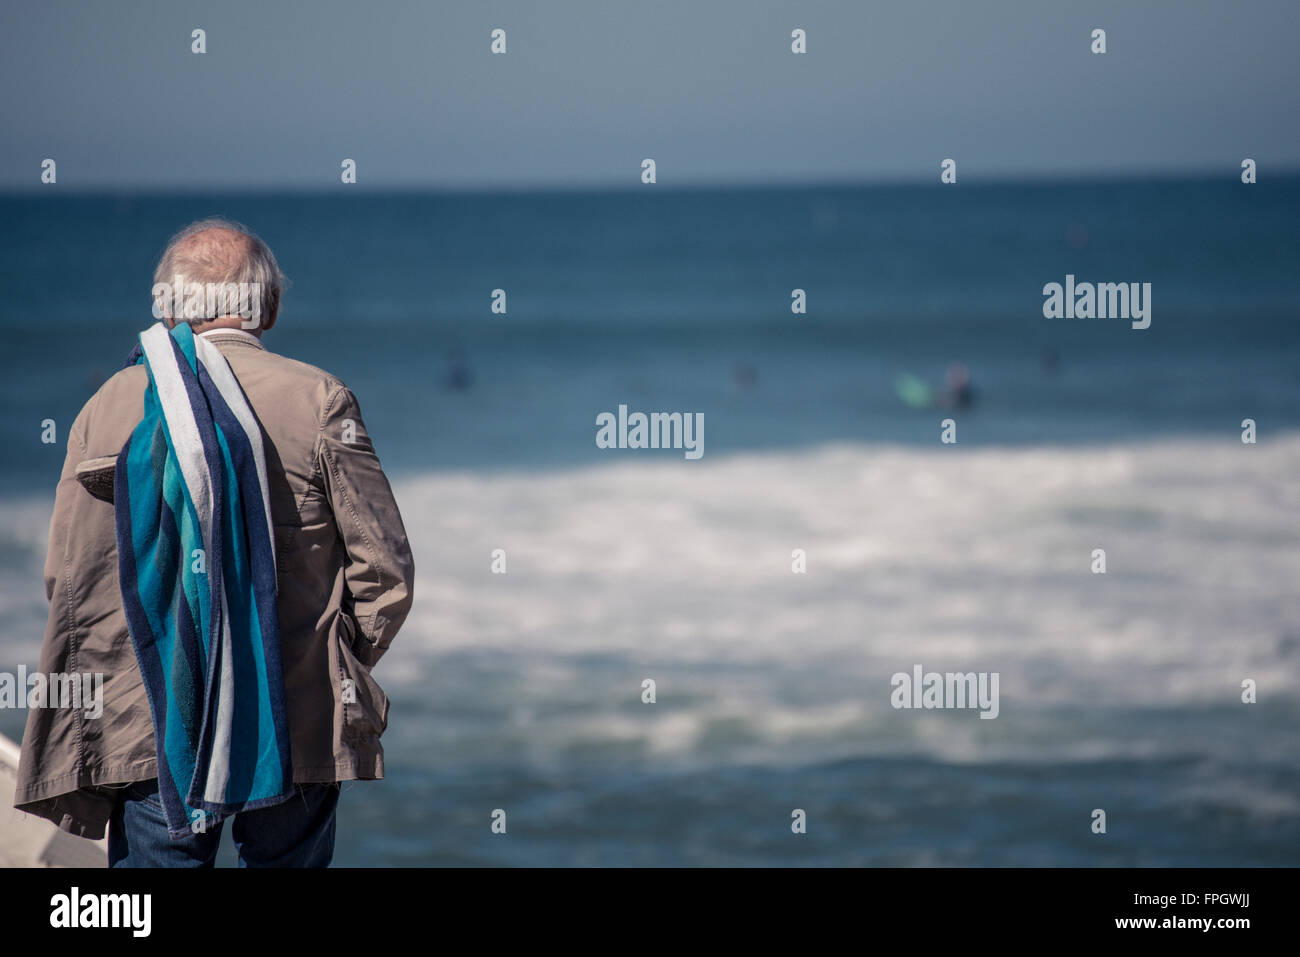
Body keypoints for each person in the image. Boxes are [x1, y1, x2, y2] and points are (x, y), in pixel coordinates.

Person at [12, 219, 415, 867]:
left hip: (154, 709)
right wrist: (330, 660)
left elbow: (69, 577)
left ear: (168, 307)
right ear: (269, 306)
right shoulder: (318, 398)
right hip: (291, 710)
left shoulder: (110, 406)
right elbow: (386, 573)